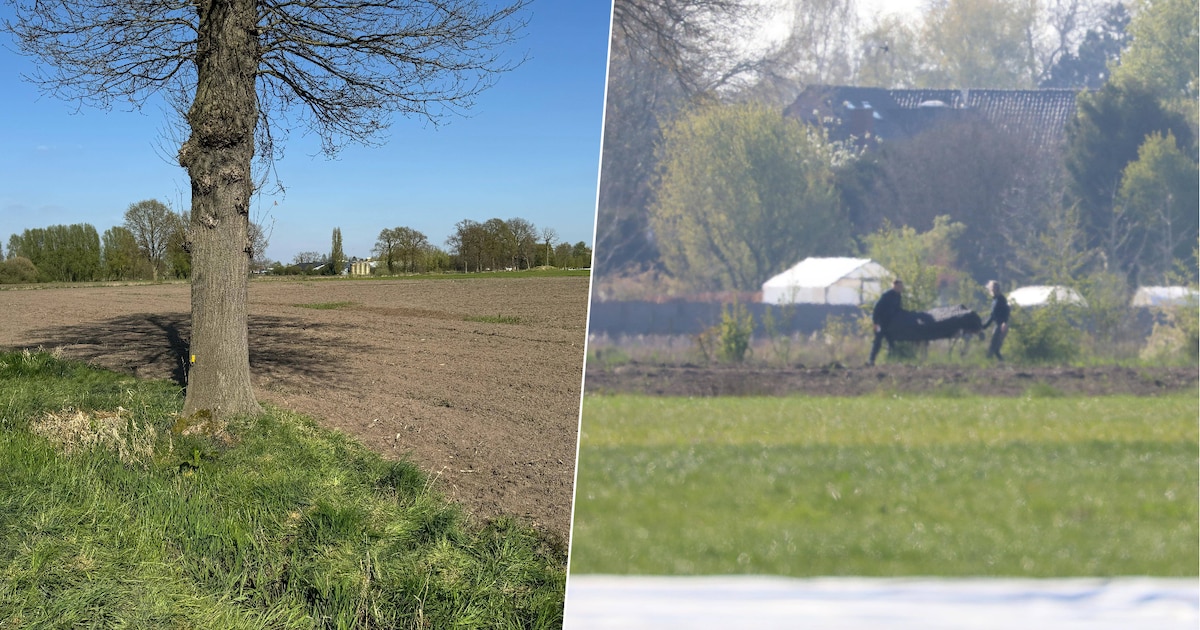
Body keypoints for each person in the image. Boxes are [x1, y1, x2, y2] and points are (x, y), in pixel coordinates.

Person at [868, 279, 904, 366]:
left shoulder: (898, 296)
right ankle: (871, 360)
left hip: (890, 324)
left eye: (901, 287)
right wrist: (875, 322)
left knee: (891, 342)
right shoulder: (886, 295)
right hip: (880, 323)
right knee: (878, 342)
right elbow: (877, 309)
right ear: (894, 286)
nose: (901, 288)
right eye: (899, 286)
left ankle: (892, 361)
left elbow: (898, 309)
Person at [981, 280, 1010, 361]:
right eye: (993, 287)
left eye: (996, 287)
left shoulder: (1001, 299)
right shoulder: (994, 300)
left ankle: (987, 362)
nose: (995, 289)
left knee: (993, 345)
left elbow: (1006, 311)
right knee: (996, 348)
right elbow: (992, 315)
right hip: (997, 324)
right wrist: (985, 326)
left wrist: (1004, 323)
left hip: (1001, 325)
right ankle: (1002, 363)